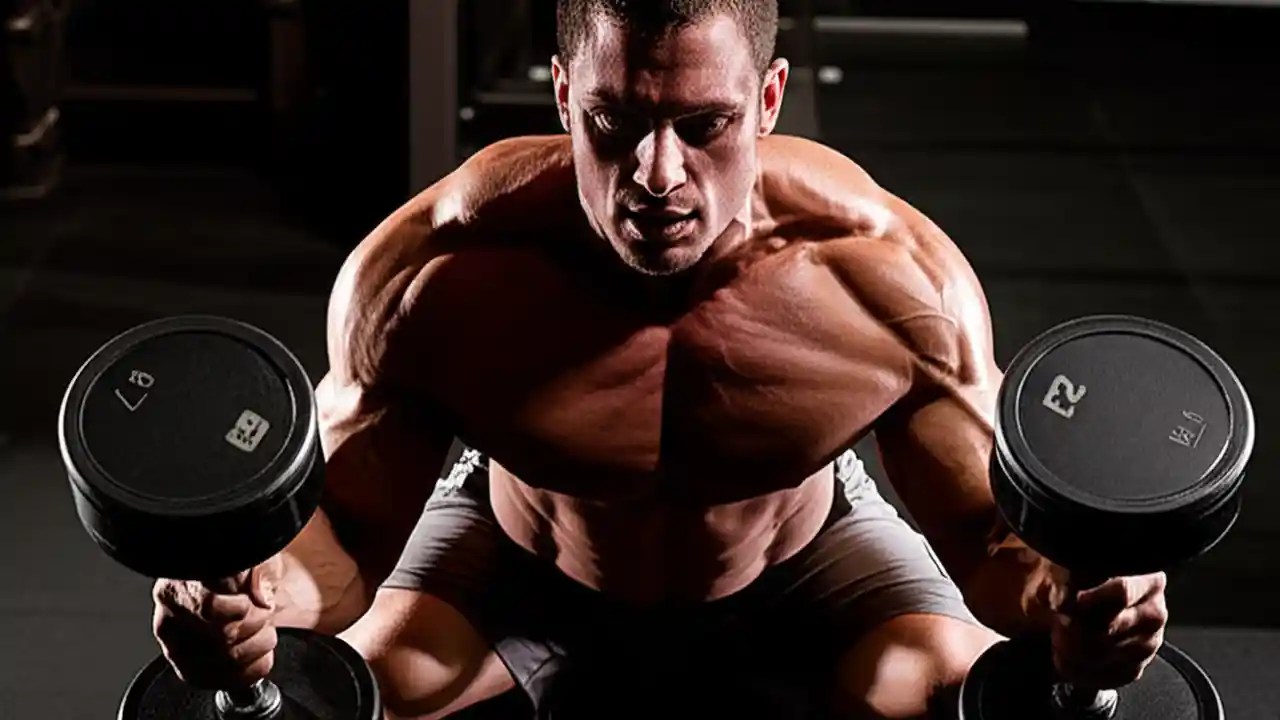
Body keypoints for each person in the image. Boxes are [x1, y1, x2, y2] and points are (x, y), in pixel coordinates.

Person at [150, 1, 1170, 717]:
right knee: (347, 694)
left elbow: (993, 544)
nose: (655, 175)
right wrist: (254, 597)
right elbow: (348, 544)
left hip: (797, 562)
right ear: (561, 94)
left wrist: (1082, 610)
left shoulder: (884, 284)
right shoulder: (438, 275)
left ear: (767, 99)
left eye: (703, 124)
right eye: (614, 122)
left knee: (955, 693)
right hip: (527, 556)